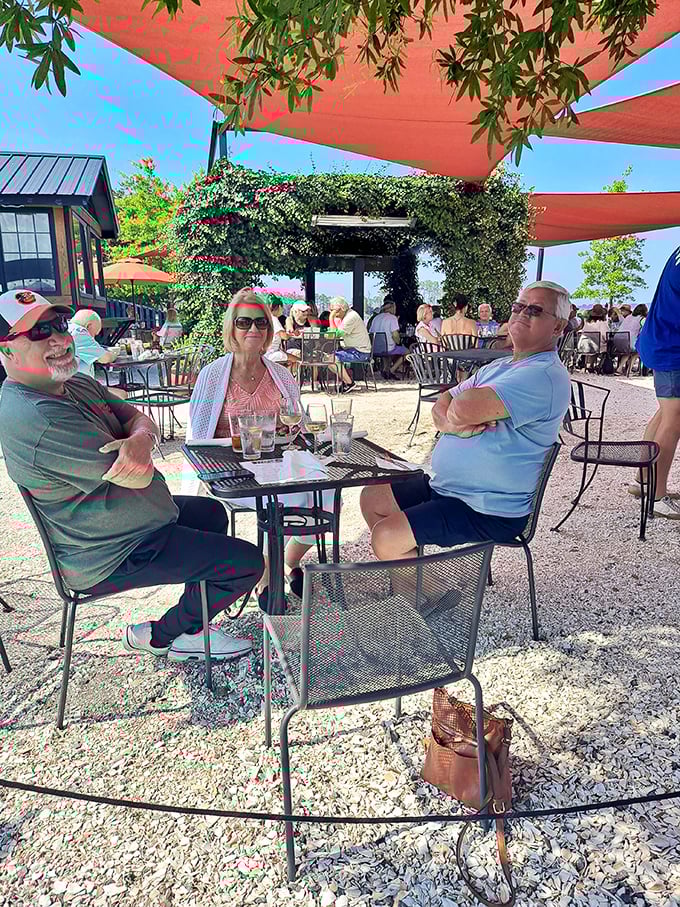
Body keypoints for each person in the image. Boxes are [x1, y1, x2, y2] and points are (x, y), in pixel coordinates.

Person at [0, 288, 263, 661]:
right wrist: (140, 442)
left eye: (58, 324)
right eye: (40, 332)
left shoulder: (74, 383)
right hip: (108, 552)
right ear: (6, 350)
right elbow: (138, 476)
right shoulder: (36, 417)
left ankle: (193, 628)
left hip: (132, 523)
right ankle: (160, 636)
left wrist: (138, 439)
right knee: (247, 564)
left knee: (212, 513)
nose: (58, 338)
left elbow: (140, 419)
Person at [360, 281, 571, 561]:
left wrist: (459, 410)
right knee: (372, 498)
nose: (522, 313)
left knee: (387, 536)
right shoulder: (500, 366)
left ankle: (425, 587)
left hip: (488, 506)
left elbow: (460, 407)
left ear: (558, 327)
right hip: (448, 488)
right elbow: (443, 404)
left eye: (535, 310)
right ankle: (412, 576)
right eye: (518, 306)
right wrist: (452, 425)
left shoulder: (543, 374)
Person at [187, 289, 337, 607]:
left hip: (276, 464)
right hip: (232, 471)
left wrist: (291, 430)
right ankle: (271, 576)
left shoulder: (280, 374)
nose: (253, 329)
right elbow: (197, 440)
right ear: (231, 328)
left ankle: (284, 563)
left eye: (261, 322)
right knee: (285, 498)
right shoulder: (212, 376)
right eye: (244, 322)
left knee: (326, 492)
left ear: (269, 330)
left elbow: (298, 423)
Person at [635, 247, 680, 518]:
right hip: (671, 345)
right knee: (675, 417)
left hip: (660, 339)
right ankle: (657, 495)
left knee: (666, 412)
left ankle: (644, 481)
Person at [327, 296, 372, 393]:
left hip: (360, 352)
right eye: (331, 310)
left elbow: (335, 334)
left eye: (335, 310)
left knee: (331, 359)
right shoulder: (341, 317)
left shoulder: (351, 317)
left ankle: (349, 383)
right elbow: (332, 334)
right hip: (351, 349)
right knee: (327, 358)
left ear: (342, 308)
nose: (333, 313)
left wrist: (331, 318)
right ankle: (347, 381)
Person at [69, 309, 119, 378]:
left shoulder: (67, 329)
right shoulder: (79, 333)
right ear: (88, 326)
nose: (93, 338)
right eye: (94, 334)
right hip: (76, 383)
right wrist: (114, 354)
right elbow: (105, 358)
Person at [369, 298, 409, 380]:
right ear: (392, 308)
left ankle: (385, 370)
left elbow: (371, 333)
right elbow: (395, 335)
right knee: (407, 352)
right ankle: (392, 370)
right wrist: (398, 342)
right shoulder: (392, 318)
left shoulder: (376, 318)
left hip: (376, 349)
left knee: (387, 350)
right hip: (388, 348)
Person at [613, 303, 648, 374]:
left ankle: (619, 368)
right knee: (637, 351)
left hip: (617, 342)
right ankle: (629, 370)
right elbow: (644, 331)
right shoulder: (642, 319)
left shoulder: (628, 317)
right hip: (628, 340)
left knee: (628, 351)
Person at [264, 300, 291, 366]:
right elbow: (284, 336)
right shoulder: (274, 319)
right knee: (299, 359)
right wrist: (291, 334)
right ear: (279, 307)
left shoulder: (267, 318)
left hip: (267, 353)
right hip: (273, 354)